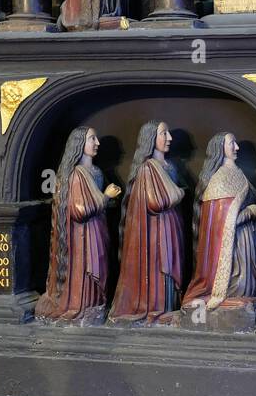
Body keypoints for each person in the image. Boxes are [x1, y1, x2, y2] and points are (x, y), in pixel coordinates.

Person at [37, 127, 123, 324]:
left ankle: (94, 307)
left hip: (97, 231)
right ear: (79, 144)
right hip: (82, 237)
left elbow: (94, 202)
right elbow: (80, 211)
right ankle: (83, 307)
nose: (97, 143)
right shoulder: (76, 175)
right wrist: (106, 196)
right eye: (92, 139)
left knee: (100, 269)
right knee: (86, 270)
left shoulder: (95, 171)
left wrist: (108, 199)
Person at [109, 120, 185, 324]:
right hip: (155, 232)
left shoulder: (168, 166)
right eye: (163, 134)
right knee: (161, 267)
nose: (169, 138)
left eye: (168, 133)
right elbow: (155, 202)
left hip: (170, 226)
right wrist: (179, 193)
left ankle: (168, 308)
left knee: (171, 267)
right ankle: (157, 309)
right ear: (151, 138)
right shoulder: (147, 169)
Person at [182, 132, 256, 311]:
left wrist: (255, 207)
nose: (236, 147)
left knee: (252, 285)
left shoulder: (237, 172)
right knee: (241, 284)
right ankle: (231, 292)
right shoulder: (219, 180)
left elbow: (250, 199)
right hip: (237, 244)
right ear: (220, 148)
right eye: (232, 143)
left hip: (249, 237)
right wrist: (254, 210)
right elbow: (229, 222)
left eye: (236, 143)